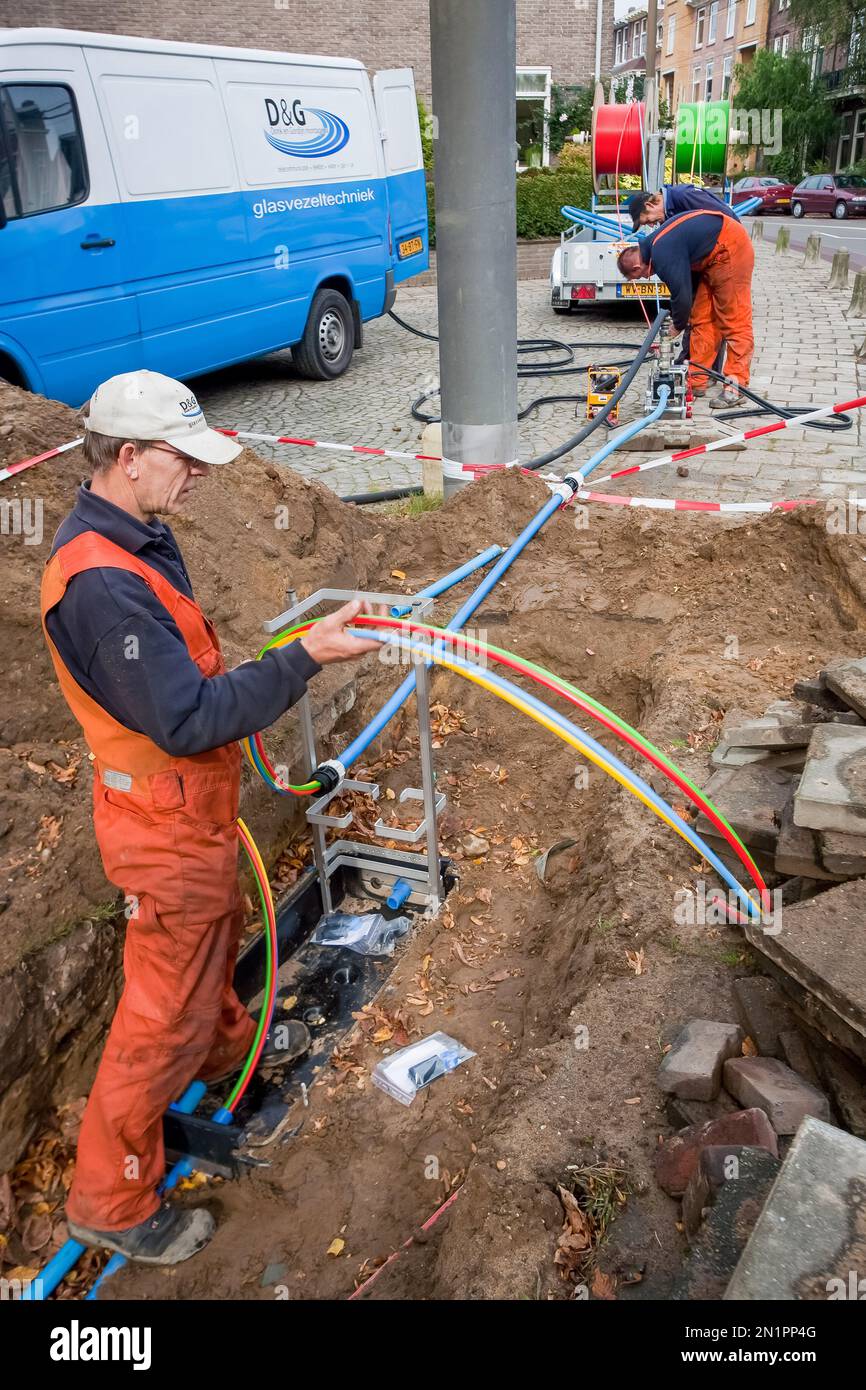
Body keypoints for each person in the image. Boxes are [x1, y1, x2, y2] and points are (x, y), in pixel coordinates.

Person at [41, 369, 382, 1265]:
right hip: (160, 824)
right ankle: (110, 1199)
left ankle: (224, 1053)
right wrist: (303, 656)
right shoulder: (100, 588)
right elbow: (187, 716)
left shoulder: (139, 535)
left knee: (218, 932)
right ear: (128, 458)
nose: (196, 474)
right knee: (157, 1009)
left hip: (188, 809)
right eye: (181, 459)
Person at [616, 208, 755, 405]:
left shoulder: (662, 253)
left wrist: (677, 326)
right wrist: (683, 319)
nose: (646, 277)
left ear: (638, 267)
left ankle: (736, 386)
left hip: (729, 246)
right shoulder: (655, 245)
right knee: (701, 318)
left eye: (640, 276)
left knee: (734, 319)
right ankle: (697, 380)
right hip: (711, 257)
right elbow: (685, 293)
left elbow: (680, 296)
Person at [627, 184, 737, 230]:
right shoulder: (667, 216)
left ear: (649, 205)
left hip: (731, 242)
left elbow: (724, 215)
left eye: (647, 220)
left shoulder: (683, 195)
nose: (651, 225)